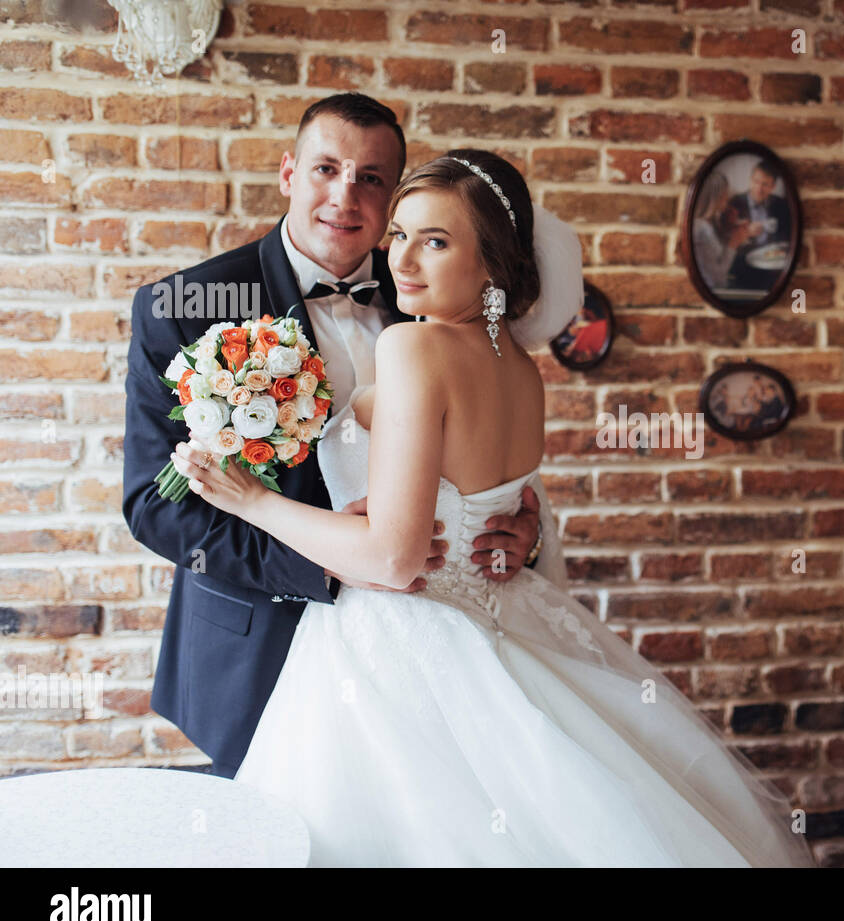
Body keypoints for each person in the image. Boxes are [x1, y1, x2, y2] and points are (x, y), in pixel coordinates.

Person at [167, 149, 816, 867]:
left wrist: (251, 499)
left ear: (494, 266)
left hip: (400, 639)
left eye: (436, 241)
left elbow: (393, 556)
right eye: (402, 235)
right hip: (498, 612)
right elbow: (488, 495)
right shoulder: (522, 367)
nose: (404, 260)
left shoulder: (412, 345)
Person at [122, 94, 565, 780]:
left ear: (397, 195)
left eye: (372, 178)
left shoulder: (431, 282)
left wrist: (522, 534)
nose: (345, 196)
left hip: (436, 652)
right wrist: (325, 564)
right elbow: (155, 504)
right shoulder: (185, 307)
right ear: (288, 173)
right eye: (326, 168)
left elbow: (485, 456)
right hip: (256, 647)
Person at [723, 161, 792, 291]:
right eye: (756, 182)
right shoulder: (734, 203)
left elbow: (787, 237)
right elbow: (723, 237)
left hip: (773, 271)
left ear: (773, 187)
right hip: (742, 270)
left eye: (765, 185)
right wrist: (745, 232)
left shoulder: (781, 205)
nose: (759, 189)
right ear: (750, 180)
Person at [690, 171, 748, 290]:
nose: (727, 198)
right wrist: (733, 244)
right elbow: (716, 277)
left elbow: (716, 250)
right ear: (714, 197)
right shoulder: (700, 230)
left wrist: (731, 228)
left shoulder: (710, 222)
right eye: (724, 195)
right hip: (718, 289)